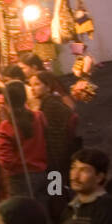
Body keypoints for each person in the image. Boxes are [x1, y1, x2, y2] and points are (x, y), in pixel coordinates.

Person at [28, 70, 79, 216]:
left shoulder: (51, 107)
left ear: (48, 86)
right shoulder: (48, 103)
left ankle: (61, 220)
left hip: (57, 162)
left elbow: (56, 140)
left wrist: (52, 168)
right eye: (31, 85)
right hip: (57, 160)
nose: (32, 88)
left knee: (55, 194)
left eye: (37, 84)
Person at [0, 80, 49, 206]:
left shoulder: (6, 126)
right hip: (42, 173)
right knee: (42, 210)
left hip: (19, 178)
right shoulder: (39, 116)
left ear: (5, 101)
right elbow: (48, 141)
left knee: (22, 214)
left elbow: (6, 161)